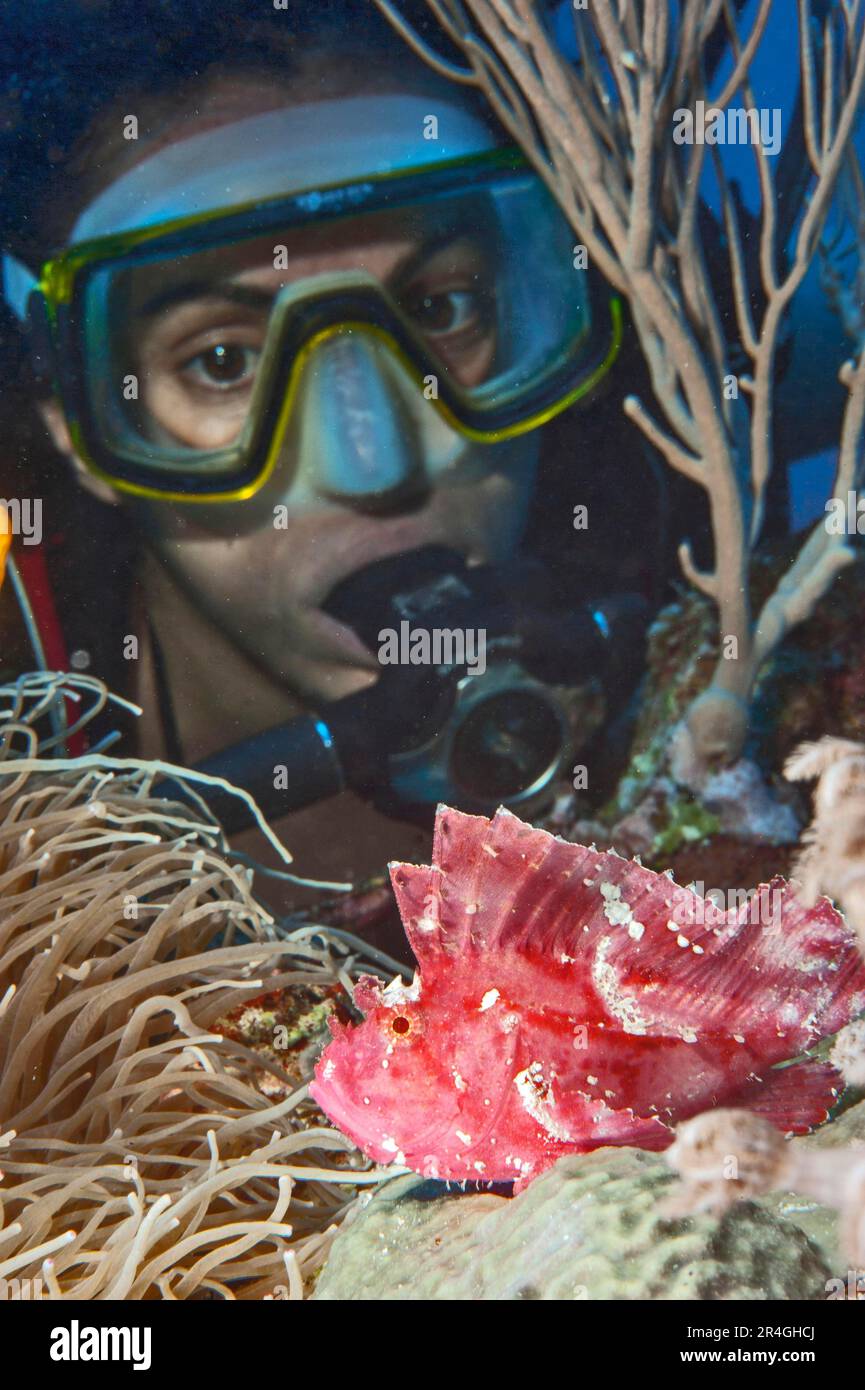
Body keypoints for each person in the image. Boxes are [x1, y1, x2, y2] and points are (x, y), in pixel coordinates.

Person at [0, 0, 842, 946]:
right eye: (223, 362)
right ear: (74, 423)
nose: (378, 465)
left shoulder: (694, 416)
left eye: (443, 305)